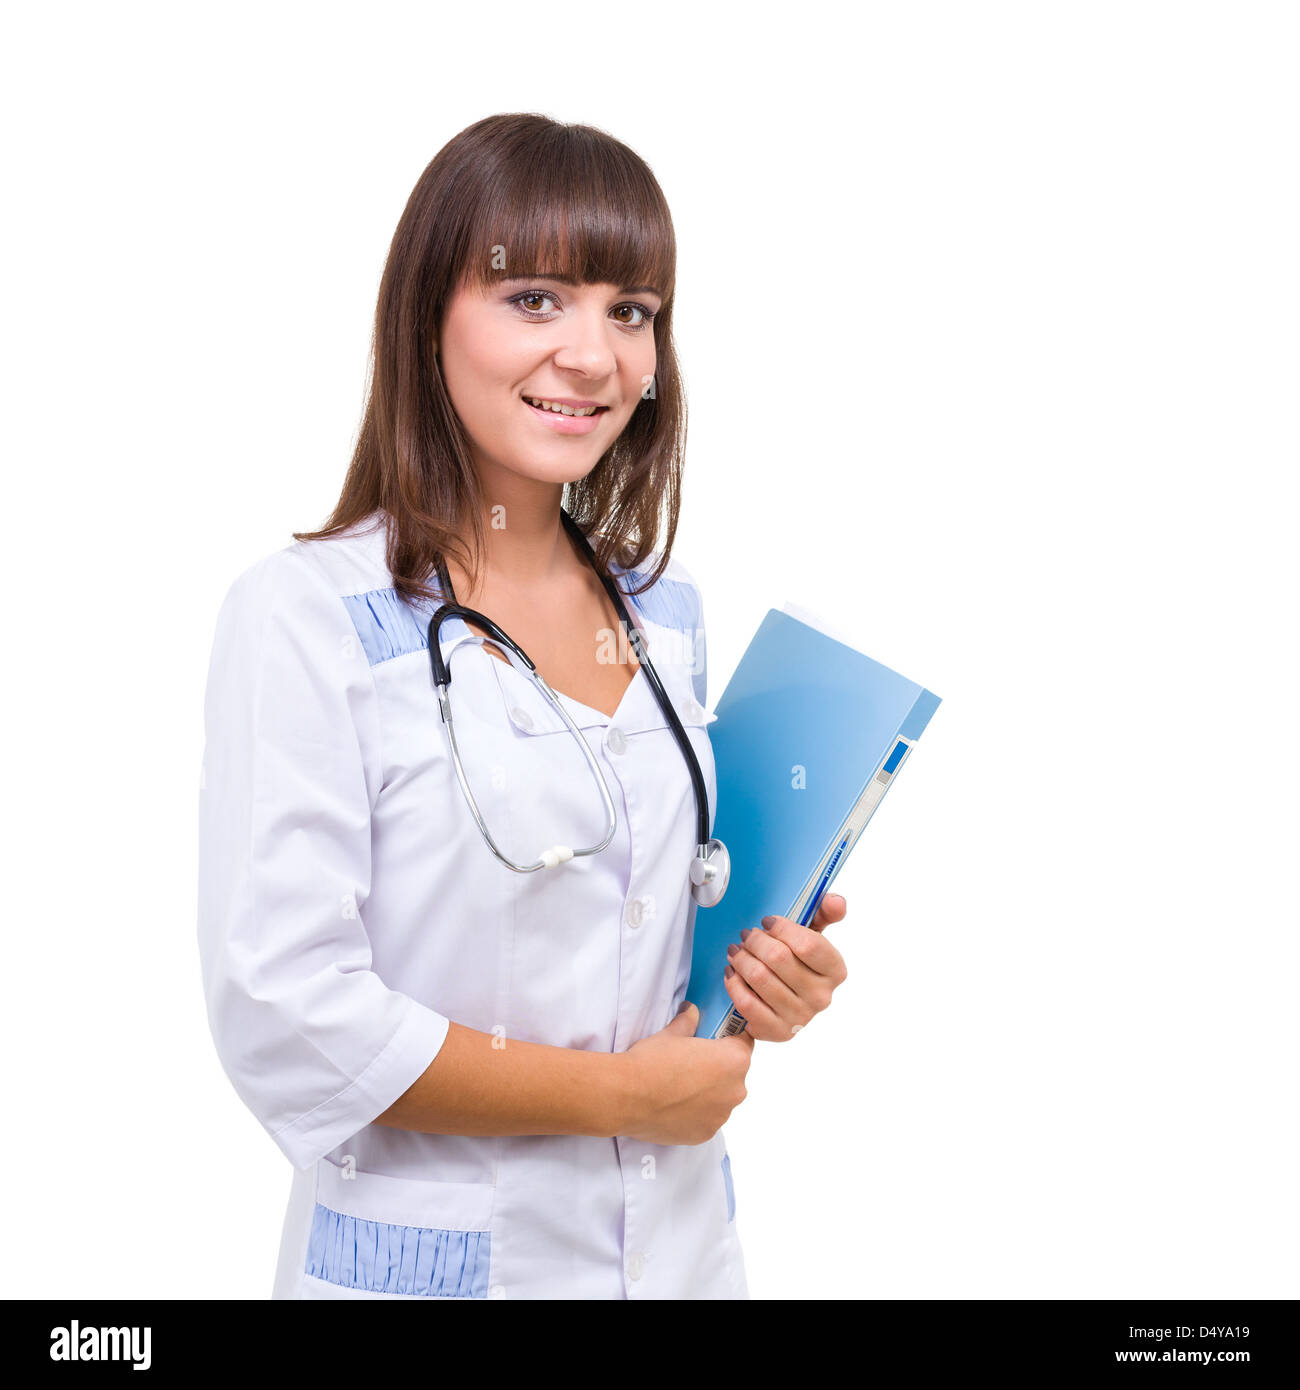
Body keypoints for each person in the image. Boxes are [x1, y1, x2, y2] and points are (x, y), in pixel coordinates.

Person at [197, 112, 849, 1301]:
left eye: (631, 310)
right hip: (437, 1268)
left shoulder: (666, 610)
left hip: (679, 1258)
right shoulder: (307, 615)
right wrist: (620, 1096)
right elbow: (288, 1009)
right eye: (535, 299)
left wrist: (754, 986)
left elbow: (656, 932)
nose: (594, 356)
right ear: (426, 319)